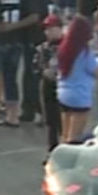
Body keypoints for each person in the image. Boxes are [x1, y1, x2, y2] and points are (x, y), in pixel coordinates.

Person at [56, 14, 98, 143]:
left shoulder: (63, 48)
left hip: (63, 93)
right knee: (74, 137)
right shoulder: (85, 52)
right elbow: (97, 71)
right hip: (80, 96)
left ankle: (59, 155)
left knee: (65, 133)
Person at [36, 14, 66, 151]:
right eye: (47, 29)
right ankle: (52, 149)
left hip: (64, 84)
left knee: (63, 120)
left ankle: (65, 147)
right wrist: (44, 70)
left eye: (53, 28)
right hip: (48, 84)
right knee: (50, 120)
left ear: (61, 29)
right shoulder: (42, 48)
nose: (49, 32)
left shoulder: (67, 46)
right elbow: (37, 65)